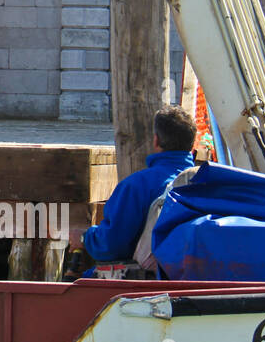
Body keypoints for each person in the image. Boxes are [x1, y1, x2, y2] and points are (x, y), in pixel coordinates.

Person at [83, 104, 197, 263]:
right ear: (192, 144)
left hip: (149, 280)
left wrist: (86, 238)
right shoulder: (207, 183)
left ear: (156, 140)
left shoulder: (136, 186)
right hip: (197, 275)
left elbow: (110, 246)